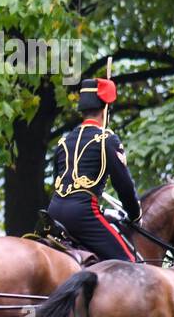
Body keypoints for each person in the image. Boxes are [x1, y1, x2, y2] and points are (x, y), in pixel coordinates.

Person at [48, 75, 142, 262]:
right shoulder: (107, 139)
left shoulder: (64, 140)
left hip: (54, 212)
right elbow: (123, 185)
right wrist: (134, 214)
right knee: (130, 265)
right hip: (83, 215)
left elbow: (59, 181)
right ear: (105, 108)